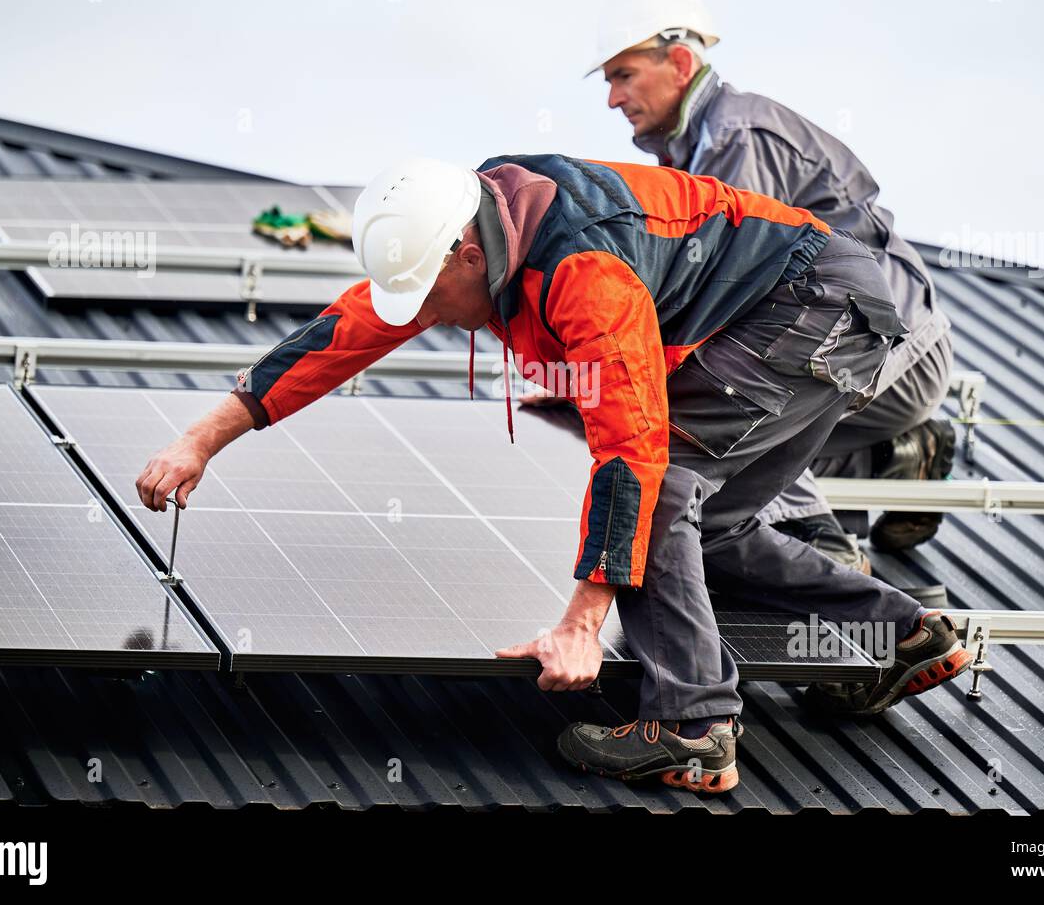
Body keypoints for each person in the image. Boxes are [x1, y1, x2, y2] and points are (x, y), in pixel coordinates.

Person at [136, 154, 974, 794]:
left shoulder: (581, 273)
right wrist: (205, 438)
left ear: (466, 255)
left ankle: (692, 728)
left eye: (429, 300)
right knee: (706, 535)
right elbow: (345, 332)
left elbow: (633, 446)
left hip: (812, 310)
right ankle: (895, 632)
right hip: (826, 311)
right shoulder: (470, 226)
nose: (423, 322)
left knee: (666, 493)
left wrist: (582, 618)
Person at [590, 0, 957, 569]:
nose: (612, 98)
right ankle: (896, 452)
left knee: (710, 407)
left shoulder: (736, 141)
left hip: (887, 348)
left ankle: (815, 542)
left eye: (624, 75)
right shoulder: (703, 147)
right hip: (878, 362)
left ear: (680, 62)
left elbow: (732, 300)